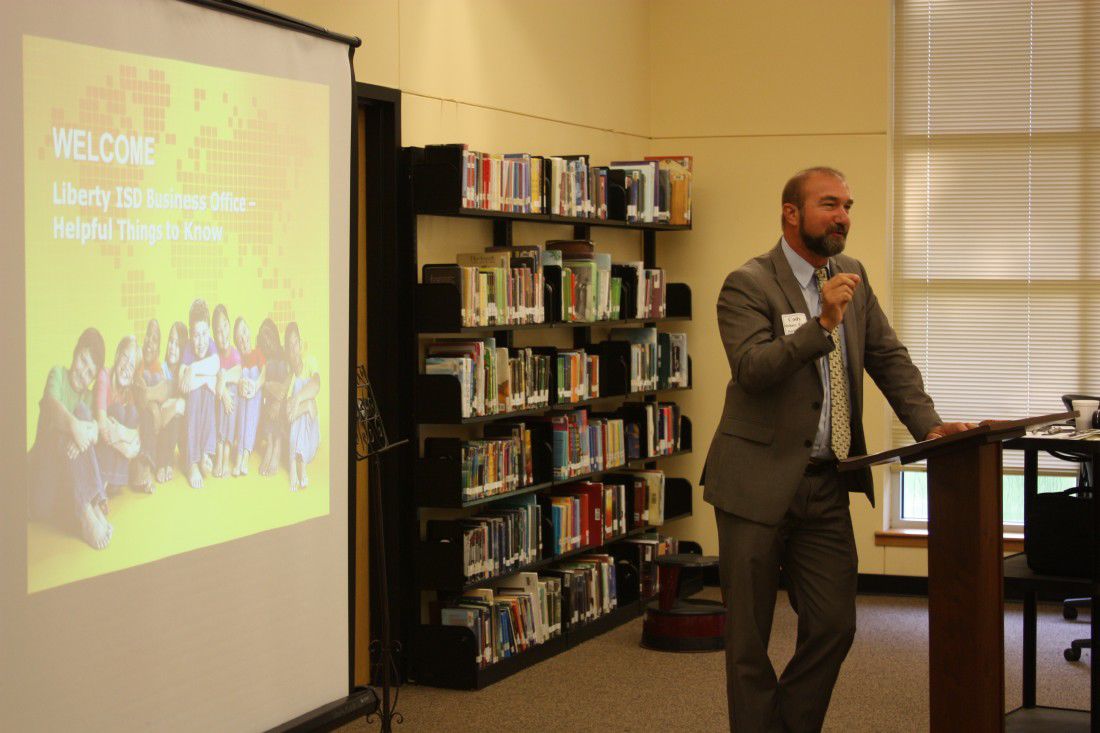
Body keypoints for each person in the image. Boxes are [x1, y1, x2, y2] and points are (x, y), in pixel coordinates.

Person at [702, 167, 975, 732]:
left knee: (834, 625)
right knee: (748, 641)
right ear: (791, 212)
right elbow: (753, 370)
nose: (844, 217)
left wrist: (929, 428)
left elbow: (888, 358)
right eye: (829, 204)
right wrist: (821, 323)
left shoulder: (852, 274)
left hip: (826, 482)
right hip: (754, 482)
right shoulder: (748, 283)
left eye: (848, 205)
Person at [27, 327, 111, 549]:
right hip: (40, 486)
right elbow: (51, 407)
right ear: (75, 352)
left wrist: (89, 431)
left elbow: (95, 431)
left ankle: (91, 503)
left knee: (83, 412)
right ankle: (87, 507)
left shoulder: (88, 396)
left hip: (63, 489)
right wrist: (74, 428)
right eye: (83, 360)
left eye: (89, 373)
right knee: (64, 426)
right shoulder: (58, 374)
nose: (82, 372)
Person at [136, 320, 187, 484]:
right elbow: (160, 410)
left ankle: (168, 462)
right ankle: (162, 464)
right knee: (175, 406)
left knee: (177, 413)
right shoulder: (161, 368)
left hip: (175, 435)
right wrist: (173, 405)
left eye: (178, 344)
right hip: (157, 433)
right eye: (171, 342)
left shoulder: (183, 372)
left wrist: (174, 405)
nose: (172, 347)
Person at [94, 335, 144, 495]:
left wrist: (121, 432)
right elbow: (102, 424)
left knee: (132, 412)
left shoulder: (127, 393)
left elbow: (138, 436)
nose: (127, 368)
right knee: (118, 410)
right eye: (125, 358)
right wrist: (126, 450)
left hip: (113, 458)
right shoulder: (104, 376)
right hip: (96, 449)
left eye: (132, 366)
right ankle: (104, 483)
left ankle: (116, 480)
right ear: (117, 356)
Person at [179, 299, 219, 489]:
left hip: (207, 406)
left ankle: (206, 452)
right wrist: (205, 379)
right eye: (196, 335)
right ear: (190, 336)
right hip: (190, 409)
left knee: (208, 391)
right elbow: (182, 384)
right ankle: (192, 462)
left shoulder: (210, 345)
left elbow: (216, 365)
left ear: (209, 332)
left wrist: (194, 369)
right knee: (196, 391)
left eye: (204, 334)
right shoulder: (188, 348)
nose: (201, 340)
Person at [283, 321, 320, 492]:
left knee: (305, 393)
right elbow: (286, 412)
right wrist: (299, 406)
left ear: (300, 342)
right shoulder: (288, 372)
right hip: (295, 438)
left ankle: (293, 465)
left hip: (312, 437)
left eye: (295, 343)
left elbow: (316, 386)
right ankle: (299, 466)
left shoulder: (310, 360)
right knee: (299, 388)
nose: (293, 349)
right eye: (289, 346)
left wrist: (297, 399)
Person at [232, 316, 265, 476]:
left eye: (244, 332)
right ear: (237, 344)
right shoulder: (237, 359)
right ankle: (240, 452)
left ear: (250, 331)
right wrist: (242, 384)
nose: (243, 339)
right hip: (242, 404)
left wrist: (255, 385)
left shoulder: (258, 352)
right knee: (244, 372)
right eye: (239, 339)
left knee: (251, 371)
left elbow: (264, 374)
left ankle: (245, 453)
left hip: (256, 400)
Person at [257, 318, 290, 476]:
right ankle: (270, 442)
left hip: (284, 406)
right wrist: (268, 386)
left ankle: (277, 444)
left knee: (279, 365)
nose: (267, 343)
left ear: (276, 336)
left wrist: (277, 401)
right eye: (264, 340)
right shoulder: (264, 358)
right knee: (270, 364)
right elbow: (261, 387)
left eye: (269, 337)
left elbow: (287, 386)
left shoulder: (285, 353)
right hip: (269, 406)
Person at [211, 304, 241, 478]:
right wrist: (222, 392)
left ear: (229, 326)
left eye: (224, 328)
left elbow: (237, 373)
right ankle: (220, 448)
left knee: (231, 388)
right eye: (218, 332)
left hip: (231, 409)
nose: (223, 335)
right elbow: (214, 381)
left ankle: (225, 449)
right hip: (217, 403)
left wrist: (223, 380)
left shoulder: (235, 353)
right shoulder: (214, 353)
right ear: (214, 336)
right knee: (226, 389)